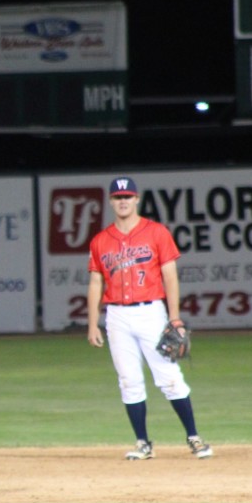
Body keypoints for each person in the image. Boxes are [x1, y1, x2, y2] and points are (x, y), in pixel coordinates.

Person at [86, 177, 213, 461]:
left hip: (150, 312)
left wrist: (175, 317)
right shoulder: (100, 240)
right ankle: (143, 443)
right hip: (116, 315)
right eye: (118, 197)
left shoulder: (156, 232)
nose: (123, 201)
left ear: (137, 199)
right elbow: (96, 282)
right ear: (110, 201)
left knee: (168, 377)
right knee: (129, 380)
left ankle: (193, 437)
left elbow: (170, 275)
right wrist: (93, 323)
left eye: (128, 197)